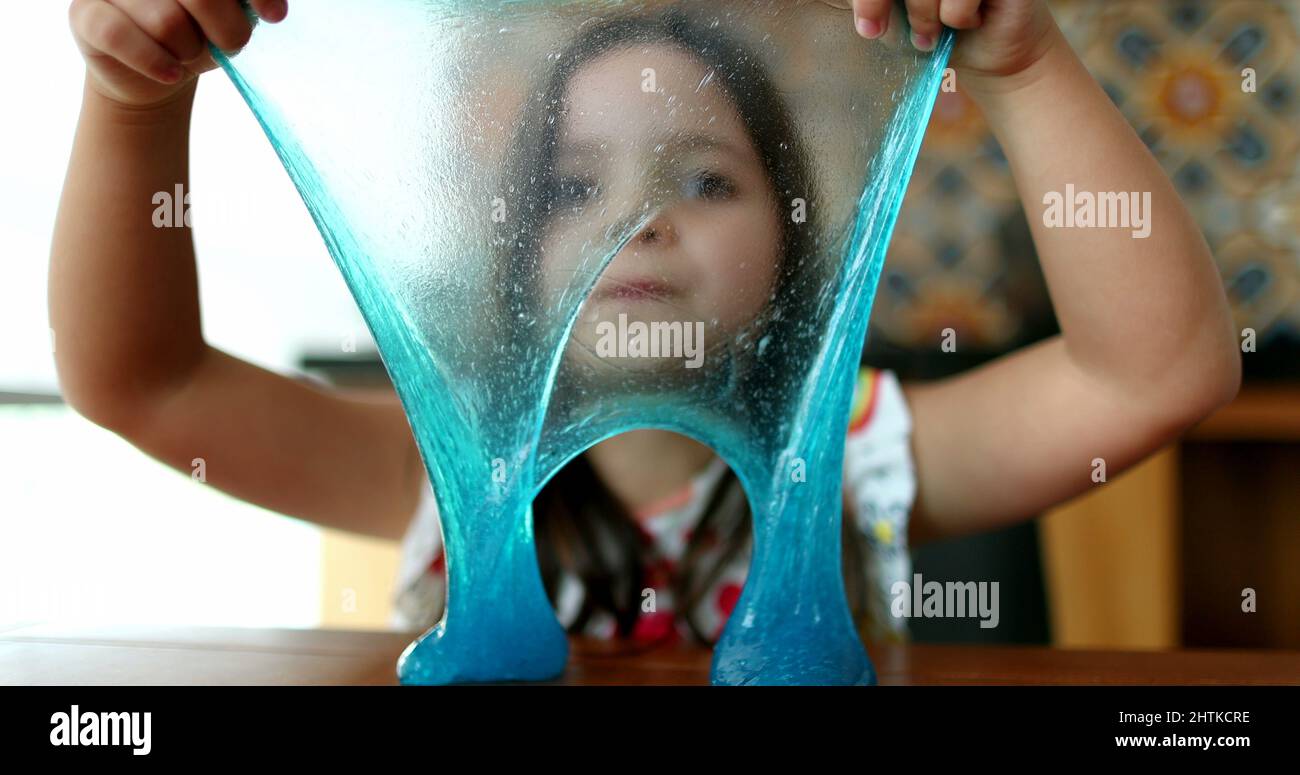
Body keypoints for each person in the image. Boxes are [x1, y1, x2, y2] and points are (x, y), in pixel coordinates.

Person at [52, 0, 1241, 650]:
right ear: (522, 264)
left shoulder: (866, 454)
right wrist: (127, 99)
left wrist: (1022, 65)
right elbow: (140, 383)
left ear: (797, 254)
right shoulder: (440, 470)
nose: (639, 221)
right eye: (574, 187)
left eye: (705, 180)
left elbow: (1160, 371)